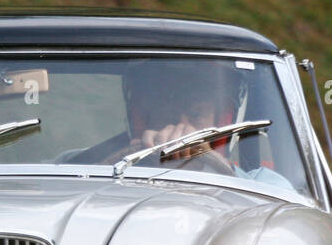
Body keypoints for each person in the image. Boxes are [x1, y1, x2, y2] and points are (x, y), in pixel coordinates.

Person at [62, 61, 294, 189]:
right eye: (167, 114)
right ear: (141, 120)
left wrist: (213, 162)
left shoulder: (264, 184)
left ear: (221, 122)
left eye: (195, 115)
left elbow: (288, 220)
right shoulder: (78, 166)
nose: (180, 130)